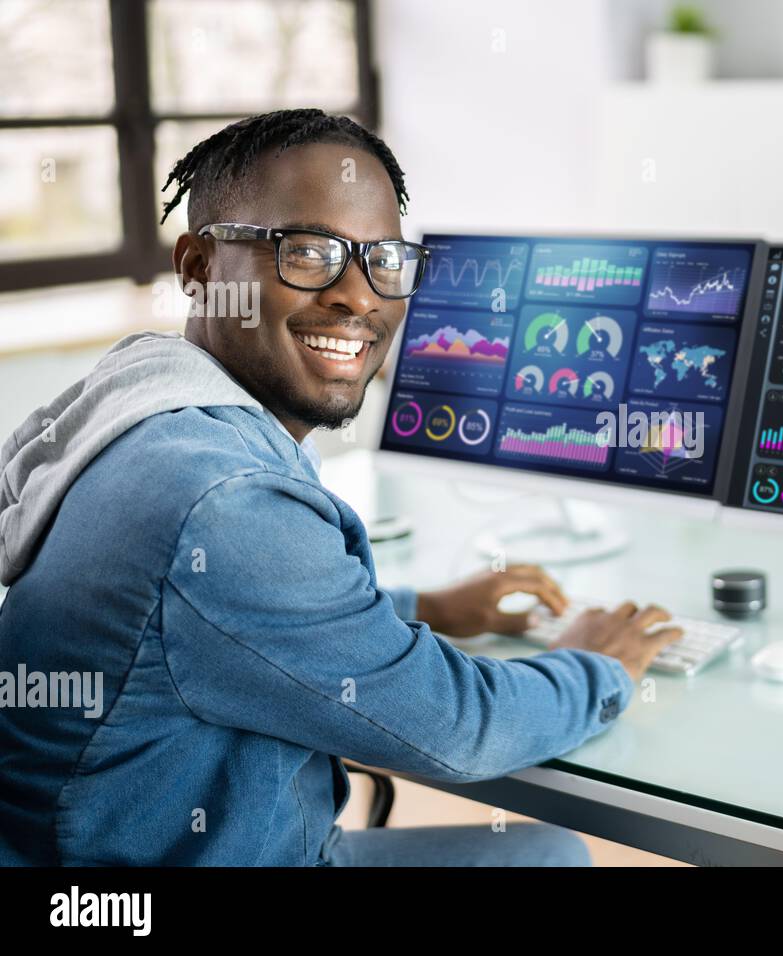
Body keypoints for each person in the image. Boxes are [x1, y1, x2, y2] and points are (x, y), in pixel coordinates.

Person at [0, 109, 680, 866]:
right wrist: (597, 666)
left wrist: (425, 609)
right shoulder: (223, 498)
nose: (359, 297)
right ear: (197, 266)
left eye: (383, 259)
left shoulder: (148, 416)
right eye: (308, 251)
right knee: (550, 858)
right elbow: (461, 728)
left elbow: (204, 617)